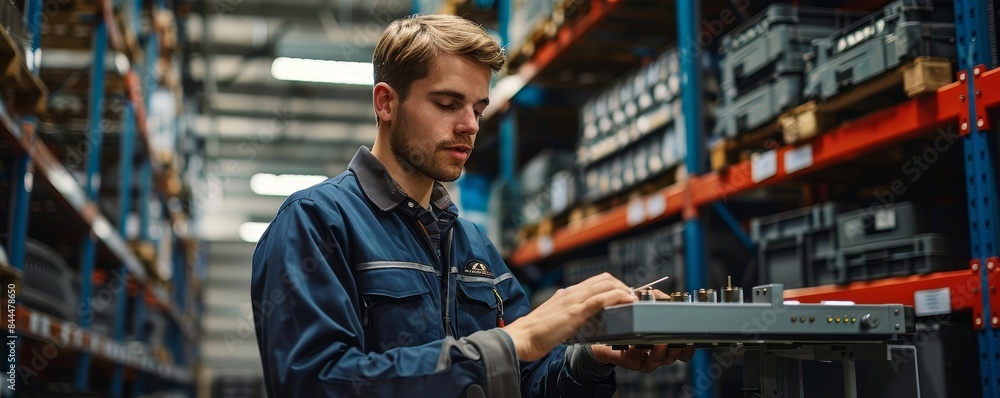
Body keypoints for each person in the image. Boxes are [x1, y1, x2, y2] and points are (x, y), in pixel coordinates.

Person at [251, 14, 693, 397]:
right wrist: (508, 344)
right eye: (448, 104)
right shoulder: (316, 222)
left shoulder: (471, 245)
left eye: (478, 110)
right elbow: (315, 383)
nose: (470, 126)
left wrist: (590, 358)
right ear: (386, 103)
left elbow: (526, 377)